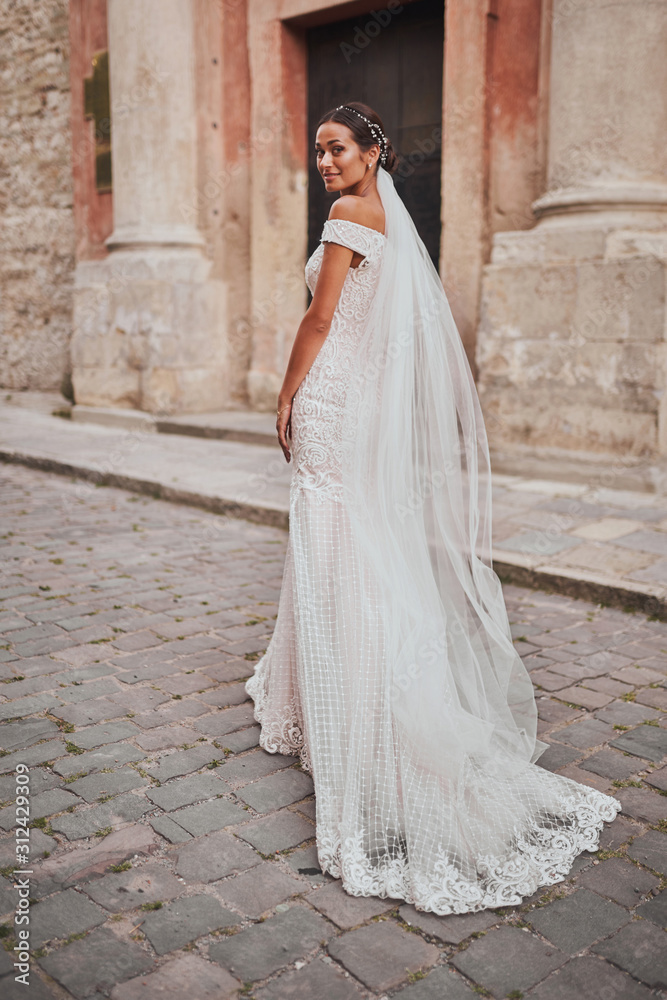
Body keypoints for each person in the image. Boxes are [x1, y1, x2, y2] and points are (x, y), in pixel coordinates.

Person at [245, 101, 621, 915]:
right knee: (351, 545)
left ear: (373, 149)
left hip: (327, 396)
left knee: (331, 546)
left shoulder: (350, 214)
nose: (326, 163)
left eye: (338, 148)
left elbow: (319, 319)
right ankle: (325, 693)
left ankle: (354, 707)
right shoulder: (384, 218)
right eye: (318, 152)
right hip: (358, 402)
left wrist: (284, 393)